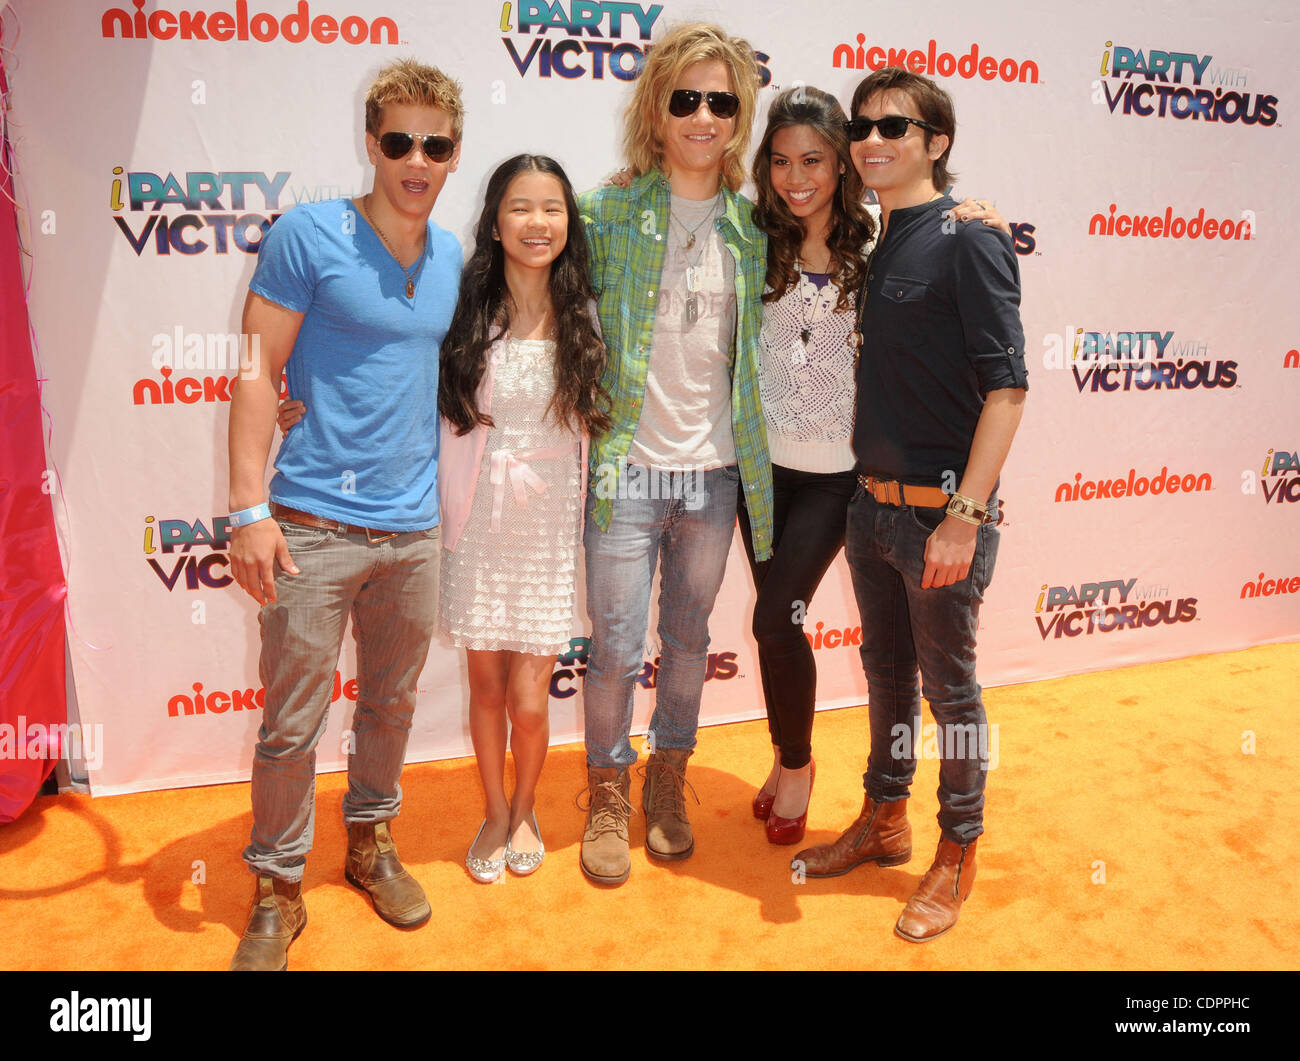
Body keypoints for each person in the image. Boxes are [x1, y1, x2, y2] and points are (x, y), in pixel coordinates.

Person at [225, 58, 464, 970]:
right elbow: (255, 371)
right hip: (312, 525)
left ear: (452, 155)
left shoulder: (452, 259)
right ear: (371, 143)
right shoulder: (306, 235)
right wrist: (249, 508)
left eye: (433, 145)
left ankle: (369, 842)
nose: (414, 158)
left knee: (392, 704)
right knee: (291, 721)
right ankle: (277, 886)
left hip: (415, 530)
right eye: (397, 140)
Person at [793, 67, 1027, 944]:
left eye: (896, 125)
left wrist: (966, 514)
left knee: (953, 696)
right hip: (872, 510)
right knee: (889, 679)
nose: (873, 140)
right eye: (864, 126)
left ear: (937, 142)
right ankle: (884, 819)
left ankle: (958, 849)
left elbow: (1008, 388)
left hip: (941, 518)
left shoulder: (969, 240)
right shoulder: (880, 236)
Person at [742, 88, 1009, 847]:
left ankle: (933, 832)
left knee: (783, 619)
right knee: (785, 632)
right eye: (783, 161)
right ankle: (848, 795)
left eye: (817, 159)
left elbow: (1002, 382)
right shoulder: (753, 241)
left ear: (844, 163)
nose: (799, 178)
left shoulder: (881, 245)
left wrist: (968, 509)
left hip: (844, 479)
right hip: (762, 474)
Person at [576, 21, 772, 886]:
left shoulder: (754, 227)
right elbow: (514, 286)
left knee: (687, 639)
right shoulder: (602, 211)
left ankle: (668, 778)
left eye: (719, 102)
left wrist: (964, 208)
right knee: (616, 644)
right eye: (685, 98)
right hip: (628, 469)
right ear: (657, 109)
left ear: (739, 118)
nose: (702, 116)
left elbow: (854, 245)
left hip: (715, 475)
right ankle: (607, 790)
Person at [436, 155, 608, 883]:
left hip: (546, 531)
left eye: (552, 209)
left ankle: (529, 805)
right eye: (520, 208)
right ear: (496, 220)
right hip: (480, 520)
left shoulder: (587, 313)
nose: (537, 223)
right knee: (484, 689)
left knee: (530, 698)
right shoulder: (464, 306)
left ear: (570, 221)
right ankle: (496, 809)